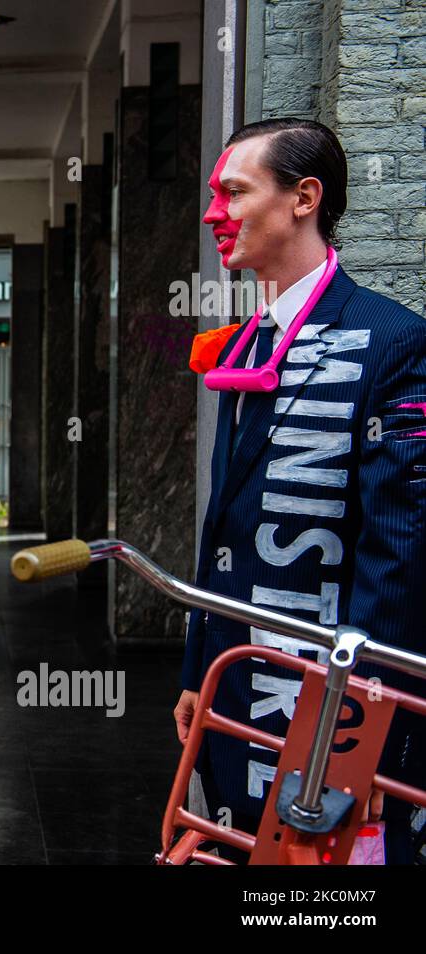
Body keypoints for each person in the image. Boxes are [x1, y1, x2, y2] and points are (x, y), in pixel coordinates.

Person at [177, 118, 426, 862]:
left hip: (332, 716)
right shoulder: (249, 341)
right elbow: (224, 530)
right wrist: (199, 671)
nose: (214, 214)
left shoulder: (392, 341)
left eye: (234, 192)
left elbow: (400, 558)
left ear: (304, 198)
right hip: (239, 688)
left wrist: (366, 741)